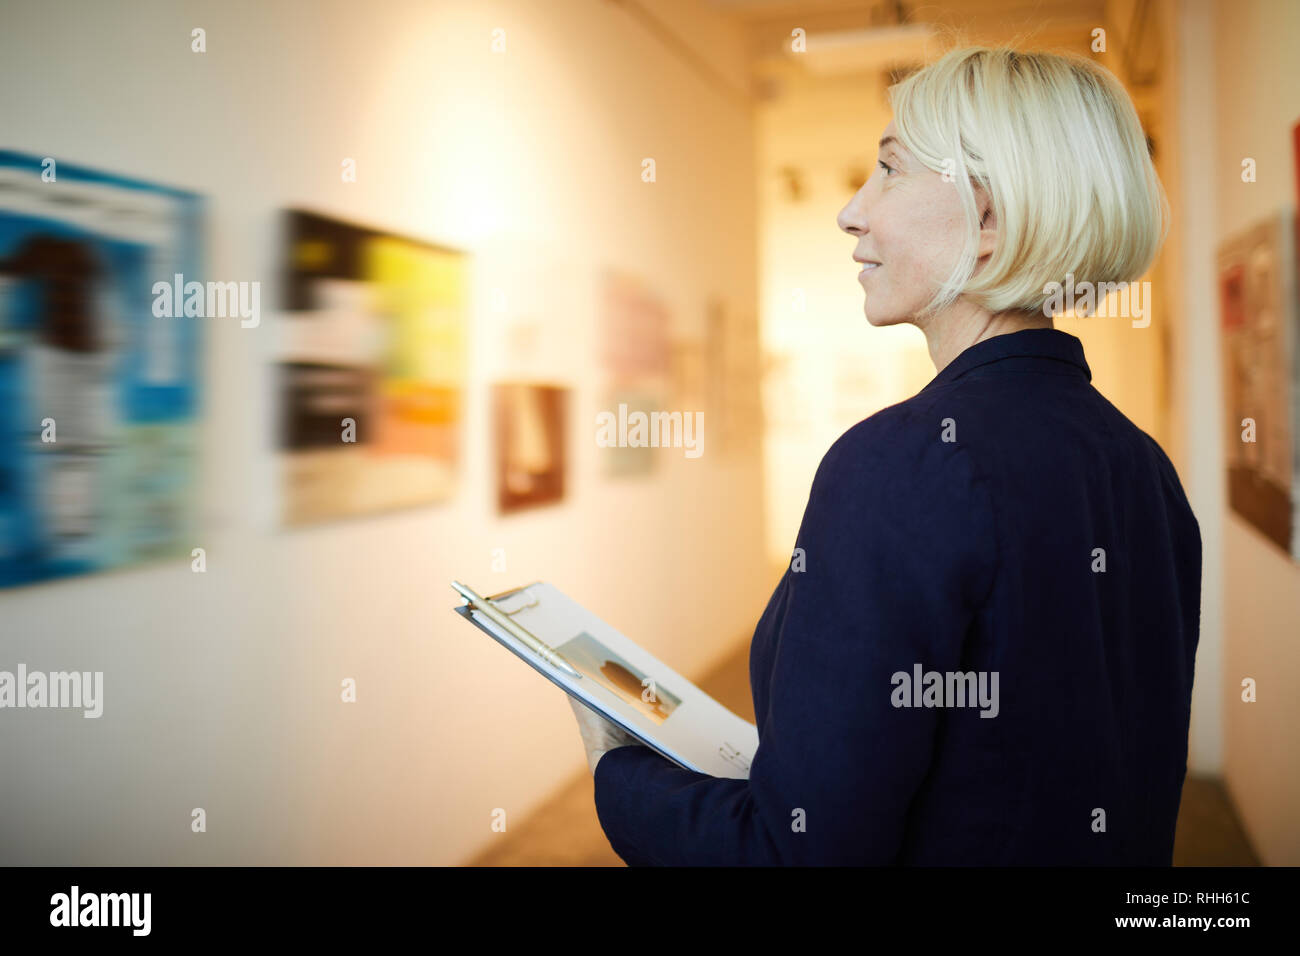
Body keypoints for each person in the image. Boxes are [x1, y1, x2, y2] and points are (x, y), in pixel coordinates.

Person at [570, 46, 1202, 865]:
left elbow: (794, 854)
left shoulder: (900, 464)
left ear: (989, 221)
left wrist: (620, 768)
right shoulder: (1141, 464)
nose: (851, 213)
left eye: (890, 171)